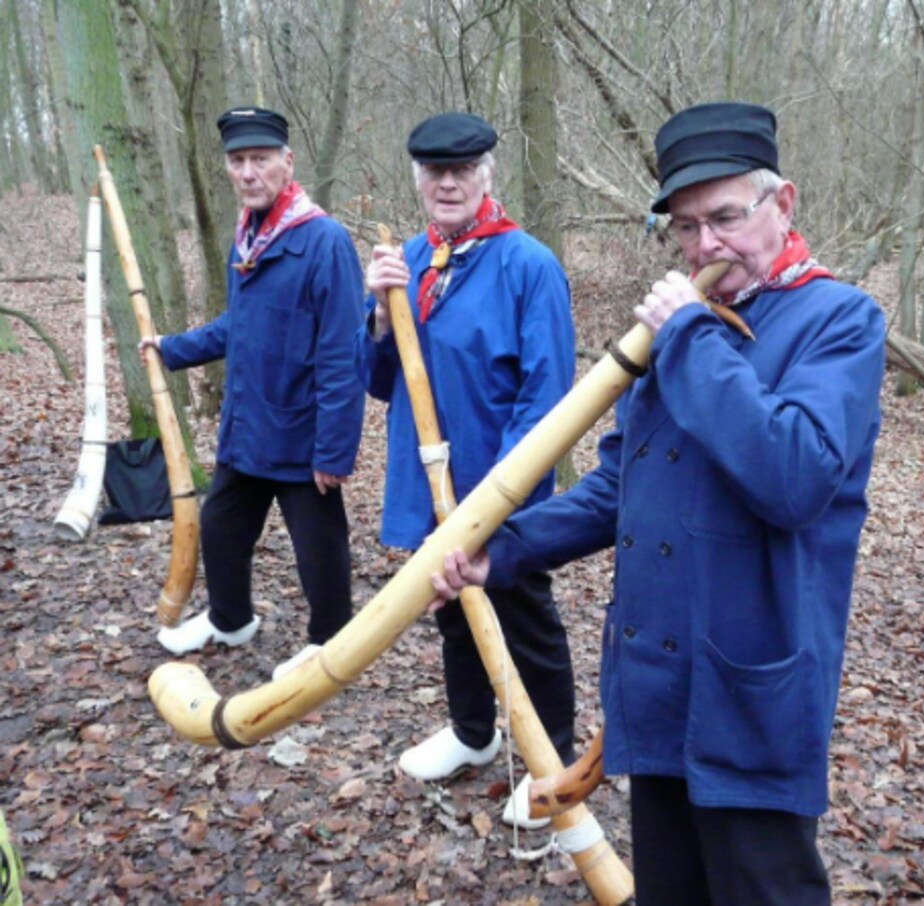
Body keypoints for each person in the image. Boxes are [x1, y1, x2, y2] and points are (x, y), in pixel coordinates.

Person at [430, 102, 886, 905]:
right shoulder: (684, 331)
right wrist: (500, 550)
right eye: (685, 227)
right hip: (658, 680)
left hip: (752, 691)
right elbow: (618, 488)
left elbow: (794, 476)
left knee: (763, 890)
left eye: (726, 218)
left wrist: (688, 338)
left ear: (783, 204)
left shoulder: (837, 320)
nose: (706, 245)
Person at [356, 113, 576, 829]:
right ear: (418, 179)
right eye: (434, 172)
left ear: (487, 174)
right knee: (451, 609)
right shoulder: (409, 259)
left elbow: (545, 398)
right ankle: (473, 731)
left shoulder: (528, 266)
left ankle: (555, 764)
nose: (447, 184)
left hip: (500, 486)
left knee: (524, 618)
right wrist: (379, 316)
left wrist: (498, 501)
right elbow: (380, 381)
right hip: (427, 480)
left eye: (462, 171)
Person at [143, 107, 365, 681]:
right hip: (246, 426)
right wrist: (171, 348)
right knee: (221, 528)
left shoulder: (323, 241)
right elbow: (237, 327)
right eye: (237, 161)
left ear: (286, 162)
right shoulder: (248, 237)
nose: (247, 172)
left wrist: (334, 449)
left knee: (318, 547)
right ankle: (230, 619)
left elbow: (343, 354)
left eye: (260, 159)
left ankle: (330, 645)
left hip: (301, 433)